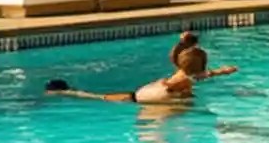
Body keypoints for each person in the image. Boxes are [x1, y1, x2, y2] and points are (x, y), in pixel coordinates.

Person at [47, 33, 238, 103]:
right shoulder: (185, 79)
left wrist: (220, 71)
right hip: (143, 97)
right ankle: (63, 91)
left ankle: (65, 91)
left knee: (97, 97)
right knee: (98, 98)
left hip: (142, 94)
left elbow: (200, 74)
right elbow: (193, 79)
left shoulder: (182, 69)